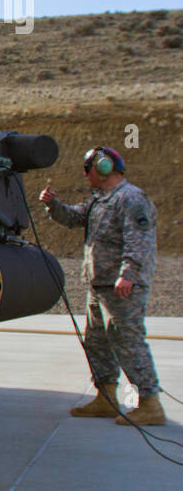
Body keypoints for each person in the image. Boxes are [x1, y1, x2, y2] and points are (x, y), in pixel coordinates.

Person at [39, 146, 165, 426]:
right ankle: (106, 398)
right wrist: (53, 205)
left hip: (121, 285)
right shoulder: (101, 200)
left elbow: (139, 240)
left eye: (88, 169)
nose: (86, 176)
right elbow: (73, 217)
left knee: (127, 340)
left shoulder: (130, 198)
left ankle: (150, 403)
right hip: (100, 285)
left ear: (104, 167)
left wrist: (129, 273)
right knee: (96, 341)